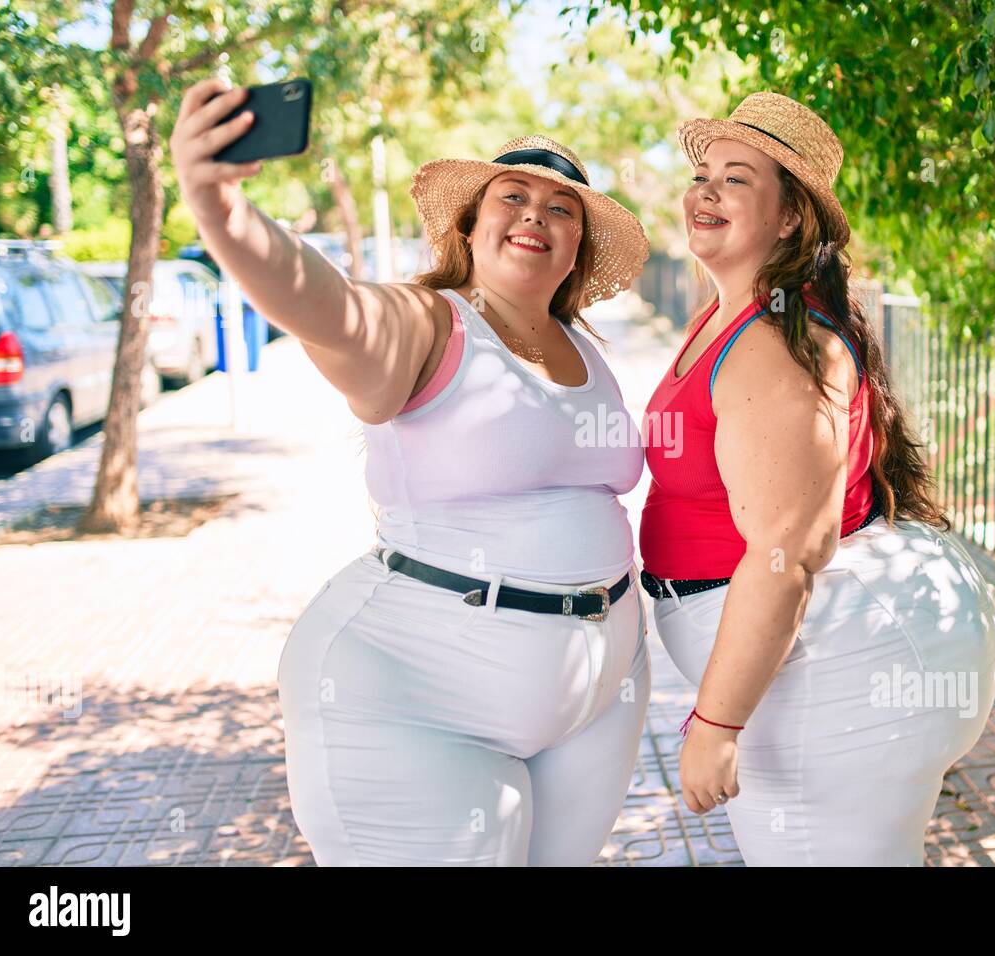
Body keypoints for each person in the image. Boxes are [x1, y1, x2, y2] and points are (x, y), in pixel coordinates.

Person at [170, 77, 652, 865]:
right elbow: (331, 306)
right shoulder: (430, 323)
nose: (536, 213)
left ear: (577, 248)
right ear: (470, 224)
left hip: (597, 698)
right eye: (512, 195)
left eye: (561, 208)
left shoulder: (589, 349)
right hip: (415, 699)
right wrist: (224, 213)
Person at [637, 91, 995, 865]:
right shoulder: (735, 316)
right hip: (830, 659)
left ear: (790, 219)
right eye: (702, 171)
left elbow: (788, 548)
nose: (706, 190)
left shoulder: (768, 342)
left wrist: (715, 724)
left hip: (848, 666)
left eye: (737, 179)